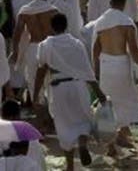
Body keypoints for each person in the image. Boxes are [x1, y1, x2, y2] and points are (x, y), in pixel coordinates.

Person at [31, 13, 95, 170]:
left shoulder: (46, 45)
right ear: (66, 26)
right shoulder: (77, 44)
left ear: (52, 27)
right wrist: (98, 91)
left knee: (64, 126)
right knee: (83, 121)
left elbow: (41, 70)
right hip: (78, 87)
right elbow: (87, 70)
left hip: (58, 88)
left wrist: (35, 94)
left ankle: (71, 166)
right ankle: (82, 143)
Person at [91, 0, 138, 149]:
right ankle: (121, 133)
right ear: (123, 4)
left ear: (110, 2)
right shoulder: (126, 22)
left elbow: (95, 50)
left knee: (107, 104)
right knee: (125, 99)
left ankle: (112, 143)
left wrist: (96, 71)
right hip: (121, 64)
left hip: (106, 65)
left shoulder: (100, 22)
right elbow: (134, 49)